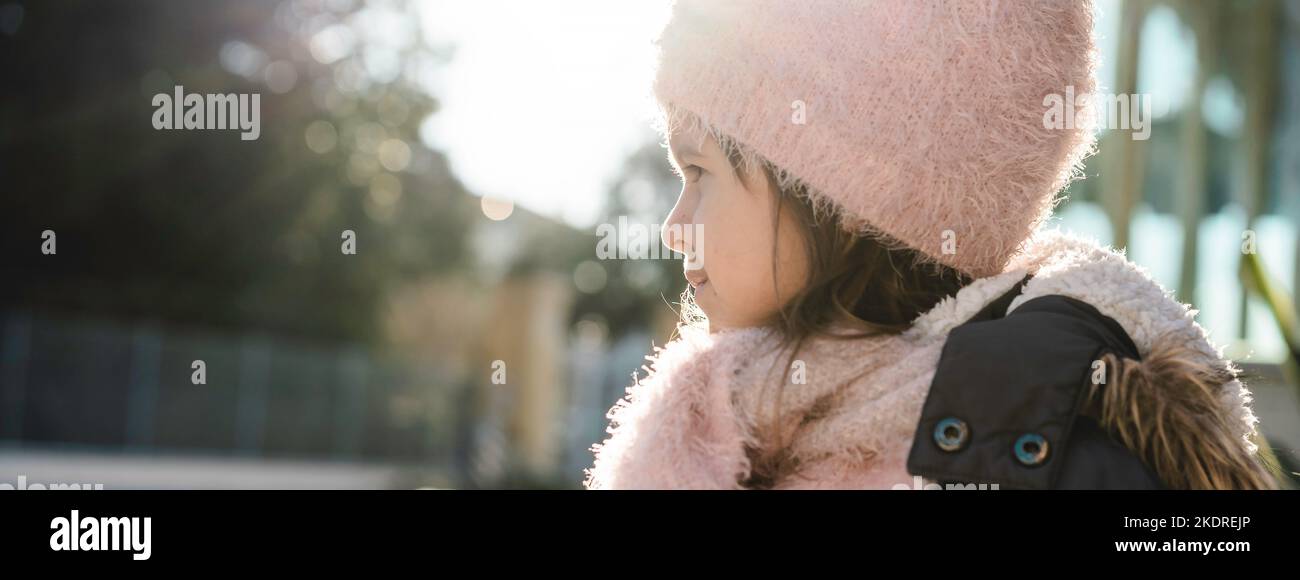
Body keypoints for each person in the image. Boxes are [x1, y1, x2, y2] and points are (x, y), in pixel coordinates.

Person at [583, 0, 1278, 490]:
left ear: (847, 194)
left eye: (699, 171)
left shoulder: (1058, 461)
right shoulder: (731, 427)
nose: (676, 224)